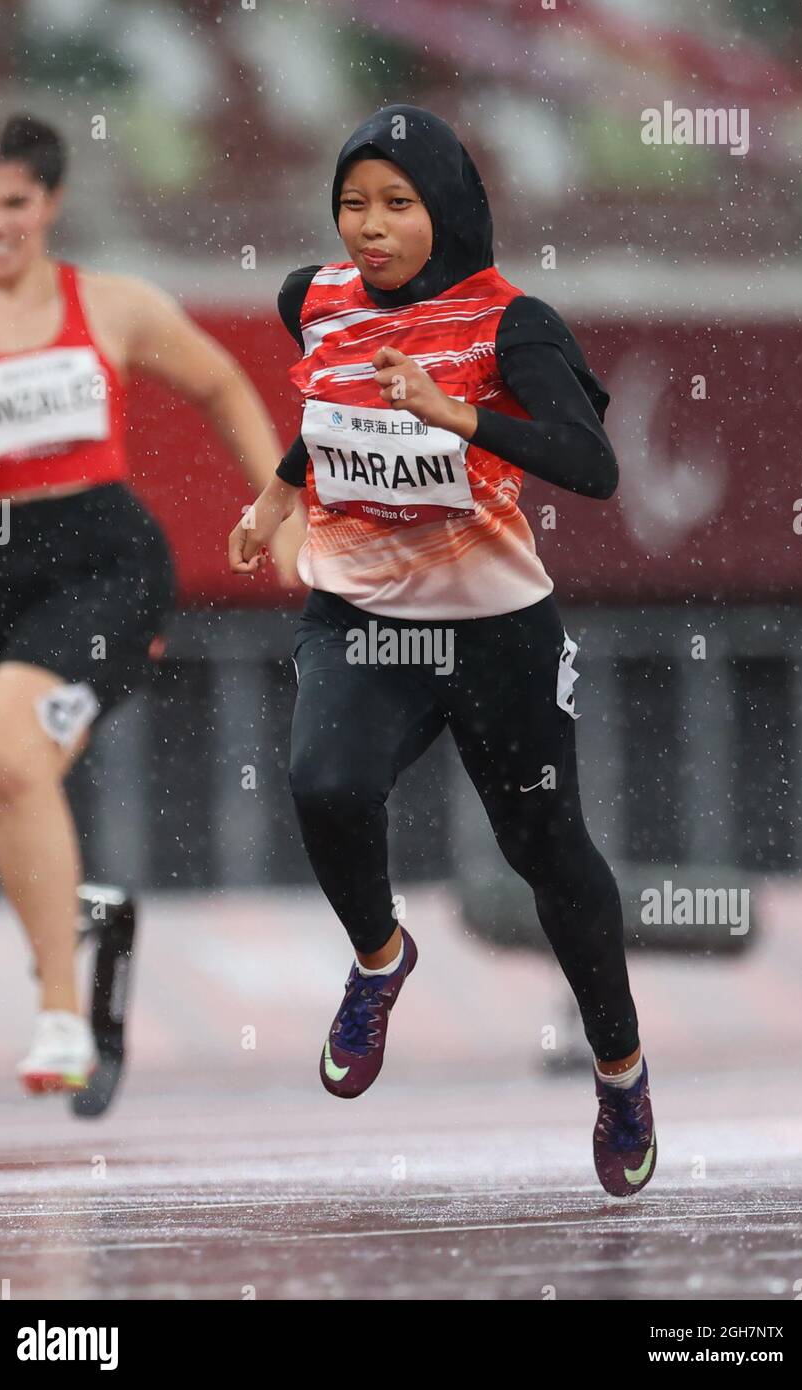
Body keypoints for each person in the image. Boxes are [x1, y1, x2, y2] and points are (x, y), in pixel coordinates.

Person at [228, 104, 656, 1197]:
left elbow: (591, 467)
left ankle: (619, 1073)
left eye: (397, 205)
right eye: (352, 203)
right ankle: (380, 957)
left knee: (548, 854)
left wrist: (458, 417)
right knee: (323, 784)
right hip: (359, 615)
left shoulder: (514, 324)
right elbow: (333, 406)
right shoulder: (308, 301)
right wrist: (276, 497)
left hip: (494, 629)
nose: (369, 227)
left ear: (449, 209)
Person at [0, 113, 305, 1095]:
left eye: (12, 205)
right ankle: (89, 920)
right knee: (11, 777)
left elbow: (222, 384)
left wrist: (275, 514)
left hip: (94, 565)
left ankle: (62, 1022)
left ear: (52, 204)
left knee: (7, 754)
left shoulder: (112, 304)